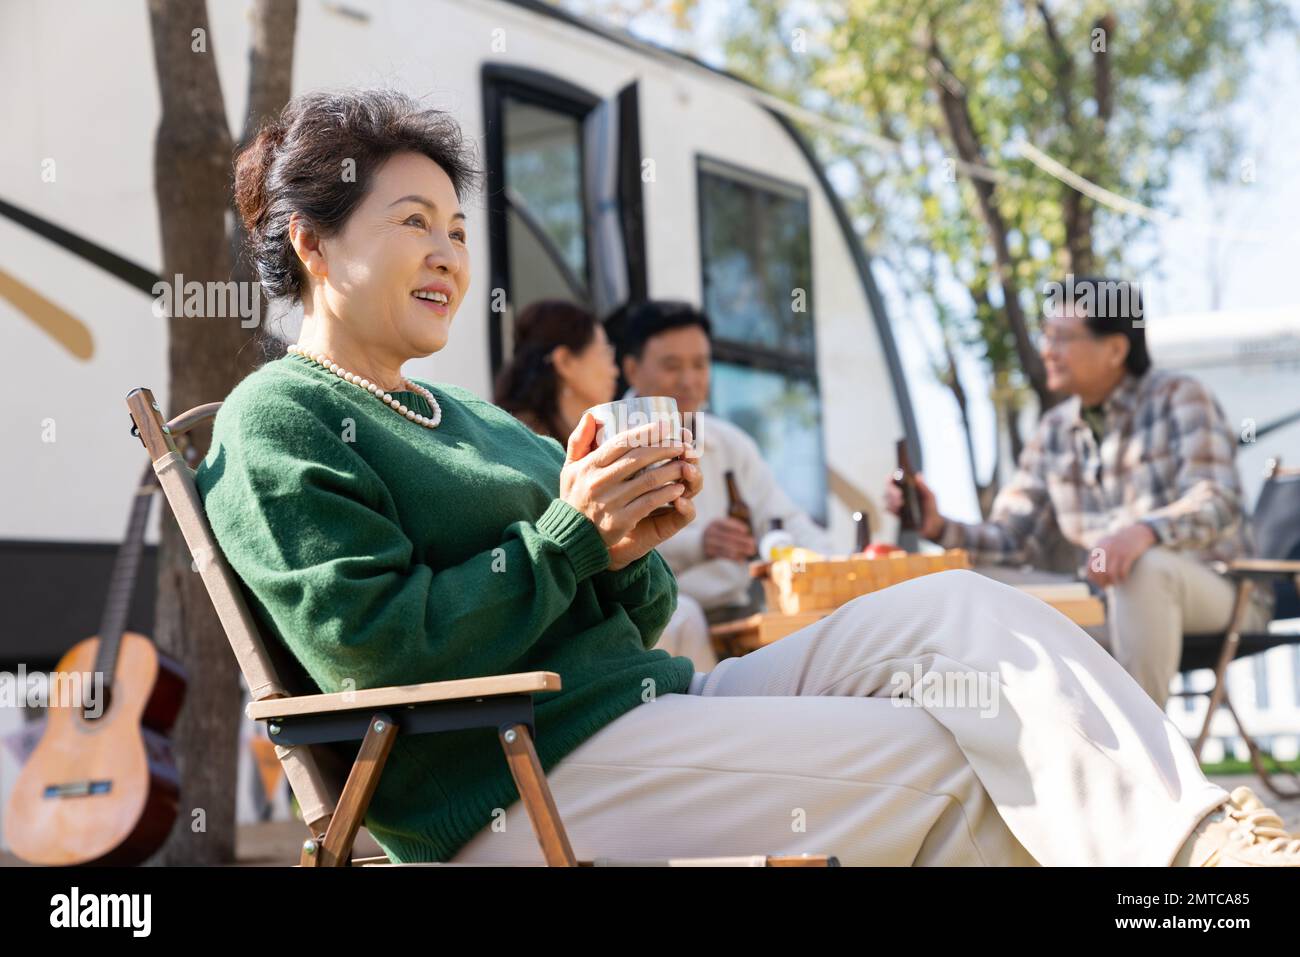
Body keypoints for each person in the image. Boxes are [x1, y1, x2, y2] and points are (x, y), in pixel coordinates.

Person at [198, 89, 1298, 867]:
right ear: (310, 243)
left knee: (966, 615)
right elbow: (370, 645)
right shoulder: (280, 418)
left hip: (635, 710)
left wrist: (629, 545)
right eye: (411, 224)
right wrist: (569, 541)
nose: (448, 252)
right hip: (514, 773)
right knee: (946, 757)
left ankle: (1203, 846)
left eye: (455, 227)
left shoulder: (472, 418)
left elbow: (632, 612)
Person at [885, 278, 1272, 709]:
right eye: (1046, 336)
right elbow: (1012, 539)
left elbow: (1217, 500)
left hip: (1221, 591)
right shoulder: (1053, 430)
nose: (1047, 351)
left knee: (1144, 568)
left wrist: (1143, 532)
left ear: (1115, 349)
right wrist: (938, 526)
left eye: (1063, 338)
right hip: (1103, 602)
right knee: (968, 584)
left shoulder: (1179, 397)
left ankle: (1145, 762)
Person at [494, 298, 713, 670]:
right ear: (566, 362)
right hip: (556, 632)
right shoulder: (522, 440)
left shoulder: (591, 436)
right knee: (687, 615)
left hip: (590, 613)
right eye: (605, 354)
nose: (615, 370)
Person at [610, 300, 832, 631]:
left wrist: (841, 562)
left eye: (700, 365)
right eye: (672, 366)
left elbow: (783, 521)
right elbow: (606, 538)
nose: (689, 380)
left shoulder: (729, 443)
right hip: (645, 622)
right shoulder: (605, 440)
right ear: (631, 370)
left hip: (732, 618)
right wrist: (700, 543)